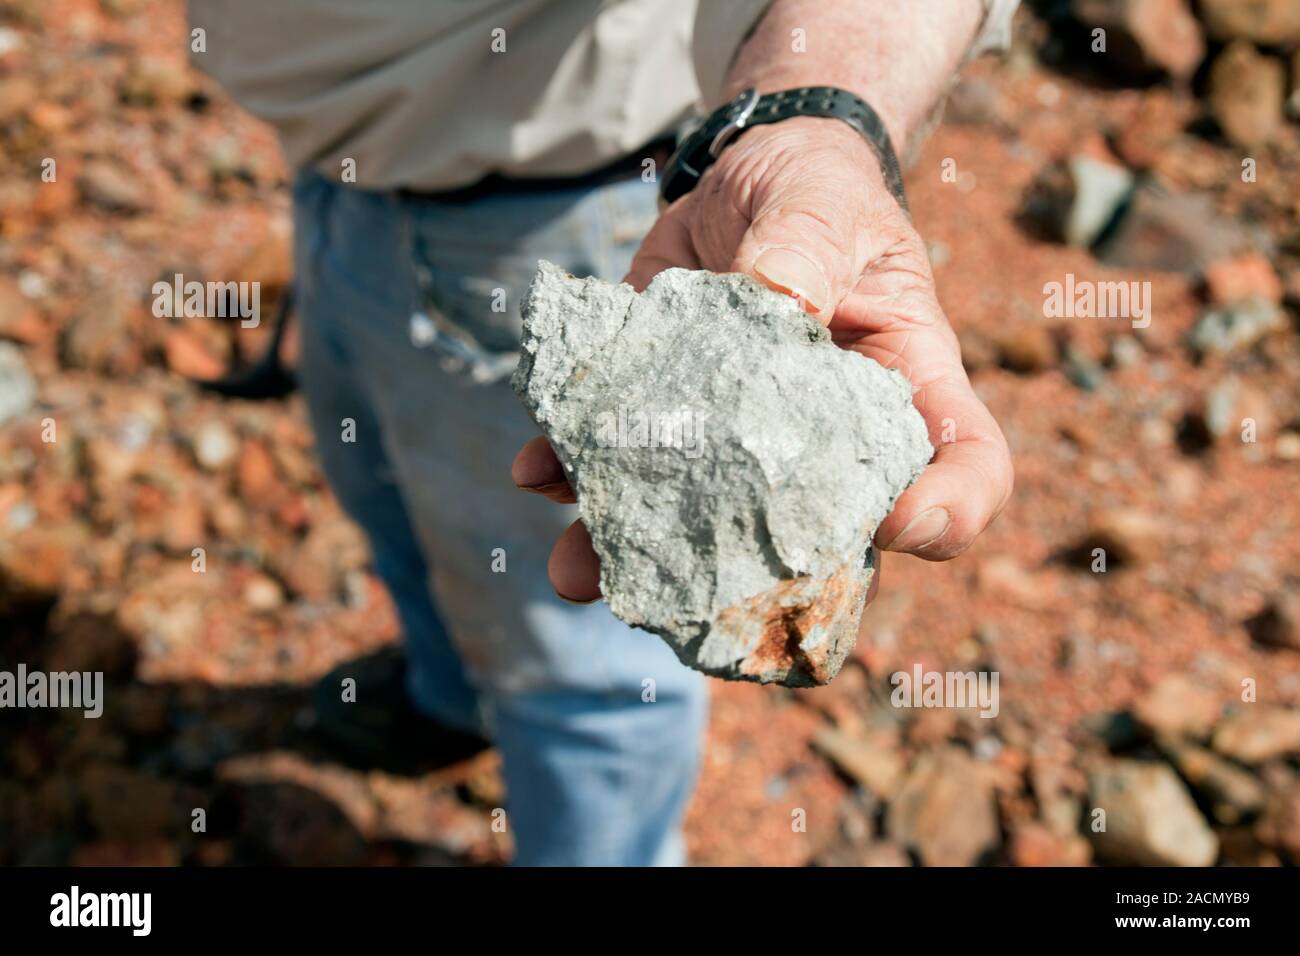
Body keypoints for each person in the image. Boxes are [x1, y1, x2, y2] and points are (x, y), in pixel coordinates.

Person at [189, 0, 1017, 865]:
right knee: (392, 512)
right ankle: (448, 698)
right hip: (335, 171)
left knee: (582, 668)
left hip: (553, 209)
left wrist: (818, 114)